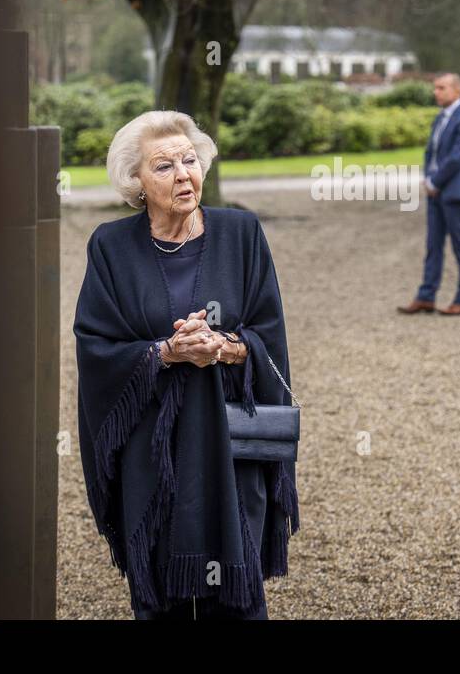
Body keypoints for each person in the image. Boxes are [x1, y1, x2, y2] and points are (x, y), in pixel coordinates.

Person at [74, 110, 300, 620]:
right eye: (164, 166)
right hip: (151, 457)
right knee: (160, 599)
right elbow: (95, 345)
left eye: (190, 160)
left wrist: (223, 346)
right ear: (136, 181)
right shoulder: (111, 246)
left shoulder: (241, 234)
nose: (182, 174)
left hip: (227, 450)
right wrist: (164, 353)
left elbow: (269, 336)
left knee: (237, 599)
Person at [398, 73, 460, 316]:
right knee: (433, 247)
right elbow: (431, 153)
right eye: (435, 88)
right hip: (435, 192)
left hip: (455, 192)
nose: (436, 92)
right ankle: (426, 297)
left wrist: (434, 180)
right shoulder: (440, 118)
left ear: (457, 91)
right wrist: (428, 178)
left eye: (441, 88)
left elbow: (457, 157)